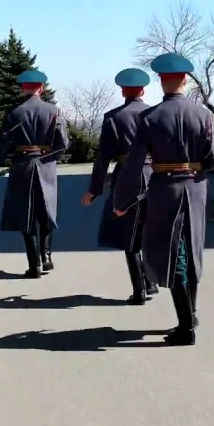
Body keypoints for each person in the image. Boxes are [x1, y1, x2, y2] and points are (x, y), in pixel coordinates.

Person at [112, 53, 214, 346]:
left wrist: (121, 201)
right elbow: (213, 159)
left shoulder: (149, 118)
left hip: (164, 190)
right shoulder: (204, 115)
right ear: (185, 80)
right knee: (192, 249)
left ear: (162, 81)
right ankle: (192, 314)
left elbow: (134, 165)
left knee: (174, 255)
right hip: (196, 187)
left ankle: (186, 327)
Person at [82, 67, 159, 304]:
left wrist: (94, 189)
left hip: (127, 176)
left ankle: (139, 291)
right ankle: (151, 282)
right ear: (144, 90)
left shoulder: (113, 118)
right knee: (150, 232)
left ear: (123, 91)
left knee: (129, 235)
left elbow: (103, 158)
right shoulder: (156, 114)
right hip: (156, 176)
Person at [0, 69, 68, 278]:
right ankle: (46, 256)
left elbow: (3, 146)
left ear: (22, 89)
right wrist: (49, 157)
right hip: (45, 165)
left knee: (25, 215)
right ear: (42, 88)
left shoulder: (14, 113)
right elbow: (63, 143)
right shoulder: (54, 111)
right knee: (46, 212)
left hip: (22, 166)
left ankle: (34, 264)